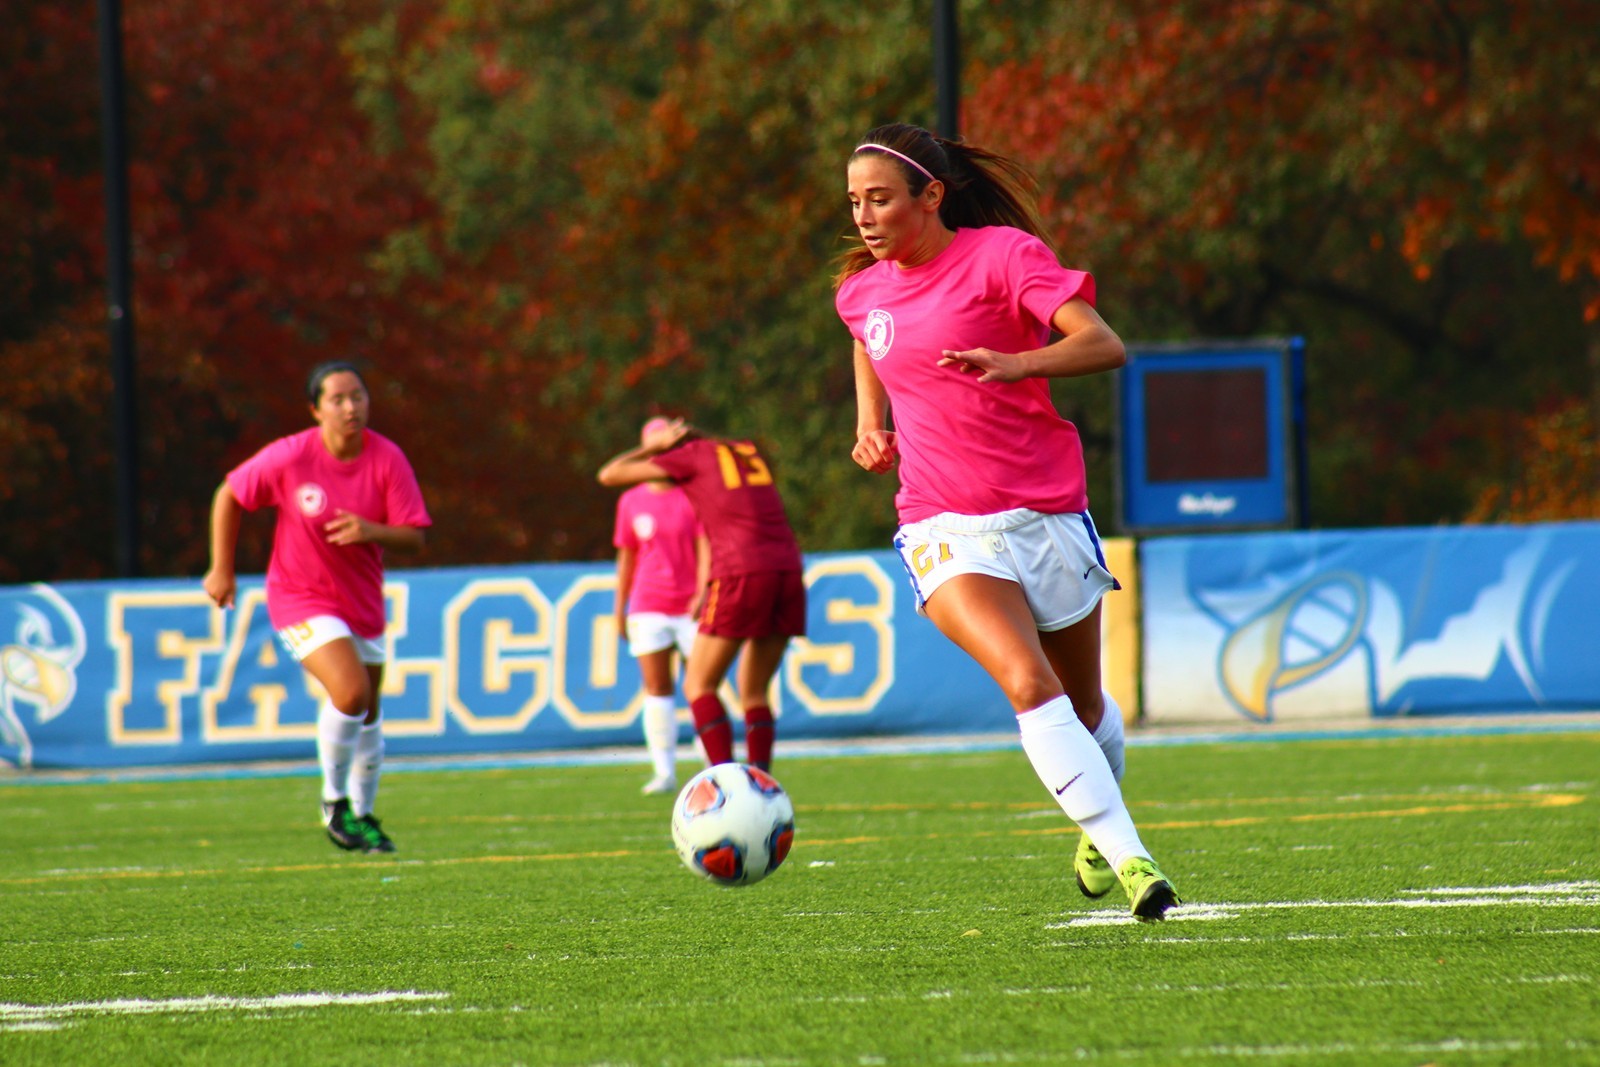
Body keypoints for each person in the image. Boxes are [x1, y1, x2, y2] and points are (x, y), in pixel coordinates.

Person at [834, 123, 1179, 921]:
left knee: (1085, 707)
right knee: (1029, 683)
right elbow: (865, 335)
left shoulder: (1003, 257)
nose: (864, 216)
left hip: (1047, 511)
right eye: (854, 202)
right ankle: (1136, 864)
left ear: (932, 194)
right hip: (941, 523)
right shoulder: (862, 287)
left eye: (880, 198)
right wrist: (870, 421)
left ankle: (1101, 825)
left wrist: (1018, 362)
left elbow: (1105, 343)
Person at [203, 361, 431, 854]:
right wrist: (221, 568)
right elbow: (230, 495)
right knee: (350, 693)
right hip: (300, 596)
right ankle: (333, 803)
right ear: (316, 409)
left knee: (369, 713)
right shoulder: (291, 455)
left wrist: (371, 530)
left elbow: (414, 537)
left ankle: (364, 817)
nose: (351, 407)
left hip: (362, 602)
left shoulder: (387, 459)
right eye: (338, 399)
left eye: (359, 396)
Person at [597, 418, 805, 772]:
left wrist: (653, 446)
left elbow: (610, 474)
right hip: (787, 569)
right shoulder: (742, 450)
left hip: (741, 570)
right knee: (753, 690)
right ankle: (761, 781)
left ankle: (728, 782)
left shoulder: (689, 456)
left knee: (698, 685)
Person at [611, 417, 711, 795]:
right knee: (657, 687)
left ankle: (710, 764)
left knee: (701, 685)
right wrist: (619, 606)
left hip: (690, 606)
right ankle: (664, 770)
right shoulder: (630, 500)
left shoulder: (693, 492)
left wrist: (703, 589)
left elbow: (705, 544)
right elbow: (627, 557)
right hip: (648, 604)